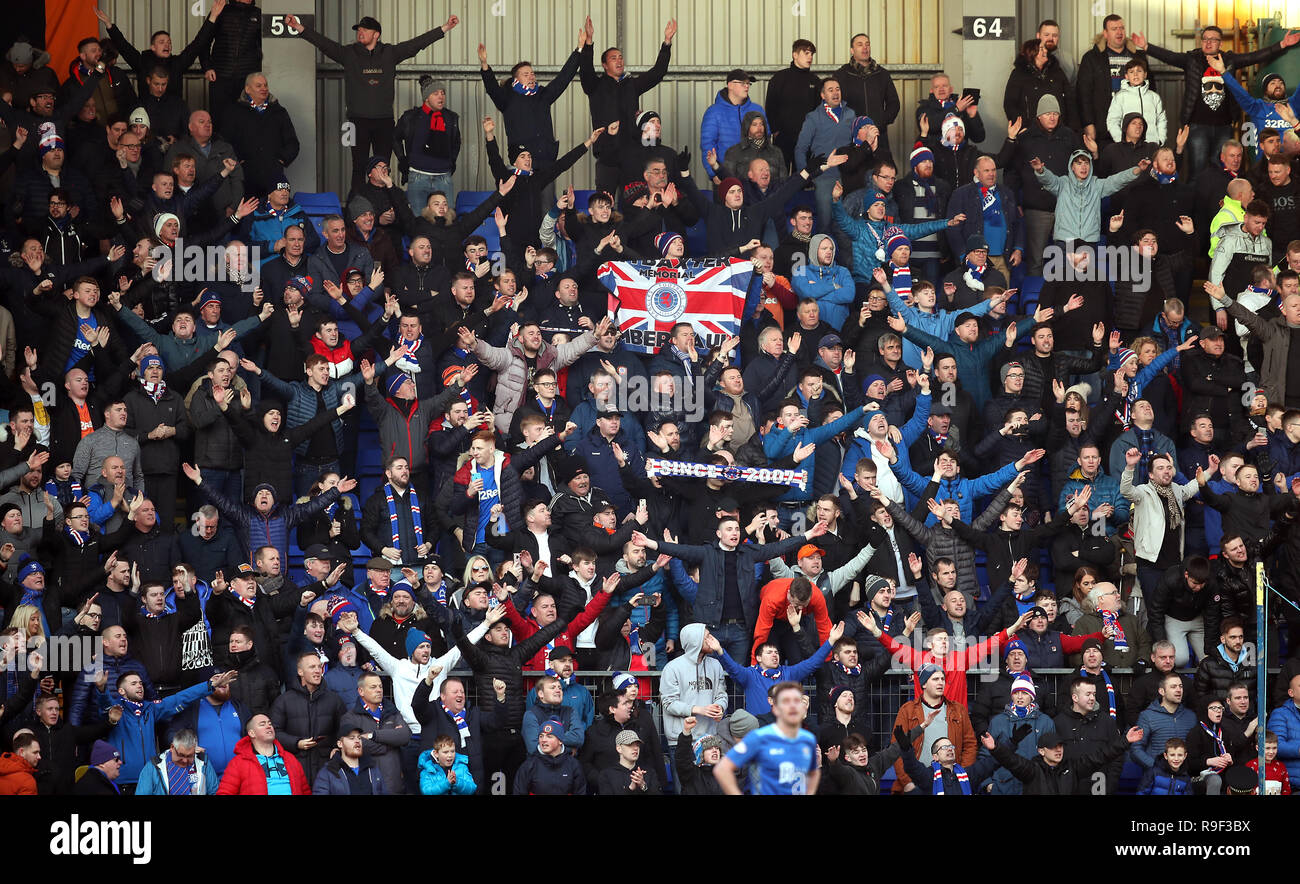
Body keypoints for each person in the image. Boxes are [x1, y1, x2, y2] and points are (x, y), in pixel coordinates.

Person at [714, 681, 819, 794]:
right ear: (776, 707)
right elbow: (722, 769)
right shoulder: (759, 737)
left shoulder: (808, 739)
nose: (792, 705)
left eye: (797, 701)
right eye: (786, 701)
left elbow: (814, 772)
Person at [216, 713, 311, 795]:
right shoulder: (238, 763)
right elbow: (224, 792)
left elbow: (305, 791)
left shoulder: (290, 759)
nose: (268, 726)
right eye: (262, 724)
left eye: (270, 723)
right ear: (252, 733)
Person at [513, 719, 587, 795]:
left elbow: (580, 792)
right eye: (541, 736)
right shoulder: (529, 766)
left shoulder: (573, 765)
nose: (543, 740)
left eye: (549, 736)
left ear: (560, 741)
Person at [135, 729, 219, 795]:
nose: (185, 760)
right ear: (172, 747)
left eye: (190, 756)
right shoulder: (153, 766)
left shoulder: (203, 761)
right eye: (181, 755)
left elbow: (215, 791)